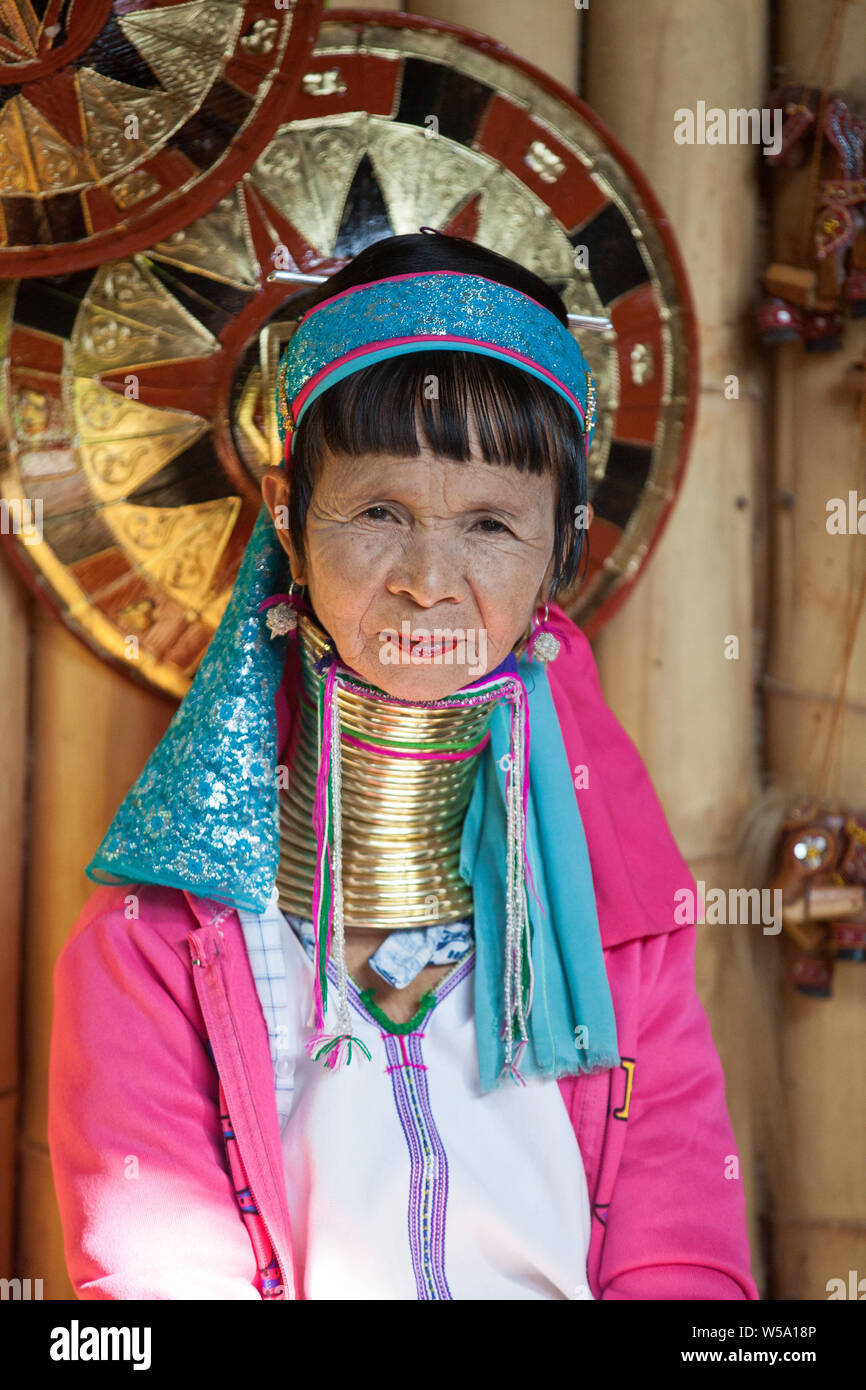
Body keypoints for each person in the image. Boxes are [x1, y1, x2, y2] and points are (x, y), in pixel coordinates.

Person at [48, 230, 759, 1301]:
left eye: (488, 524)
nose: (429, 580)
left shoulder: (619, 940)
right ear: (288, 521)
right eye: (378, 512)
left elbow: (681, 1262)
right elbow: (153, 1287)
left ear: (559, 550)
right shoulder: (156, 949)